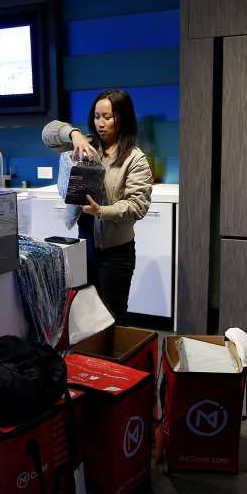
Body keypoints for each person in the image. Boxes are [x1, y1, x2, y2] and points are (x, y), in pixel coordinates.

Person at [42, 89, 153, 324]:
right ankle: (89, 361)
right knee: (86, 317)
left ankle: (111, 361)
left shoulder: (135, 159)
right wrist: (75, 135)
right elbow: (47, 133)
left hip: (115, 253)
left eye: (107, 117)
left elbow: (137, 205)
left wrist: (102, 211)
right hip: (83, 247)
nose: (100, 123)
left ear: (122, 118)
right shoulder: (85, 147)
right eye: (96, 116)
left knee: (113, 317)